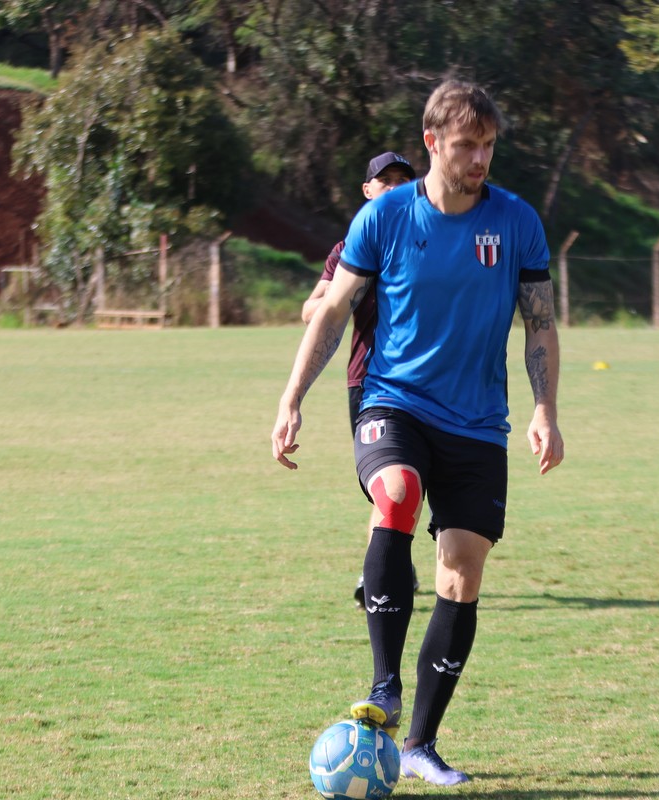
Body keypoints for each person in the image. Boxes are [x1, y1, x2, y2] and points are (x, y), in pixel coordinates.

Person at [271, 80, 563, 786]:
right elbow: (334, 310)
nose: (480, 159)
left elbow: (542, 323)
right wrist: (291, 400)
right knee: (396, 494)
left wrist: (546, 409)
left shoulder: (518, 221)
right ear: (432, 142)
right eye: (467, 145)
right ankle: (383, 687)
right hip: (394, 401)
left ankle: (420, 744)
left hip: (478, 422)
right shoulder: (386, 218)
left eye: (489, 145)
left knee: (461, 570)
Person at [301, 152, 420, 606]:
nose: (392, 187)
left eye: (402, 180)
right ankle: (388, 564)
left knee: (411, 481)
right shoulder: (350, 247)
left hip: (427, 380)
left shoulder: (433, 239)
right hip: (367, 381)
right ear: (367, 190)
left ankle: (388, 563)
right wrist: (344, 294)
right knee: (391, 481)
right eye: (383, 180)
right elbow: (311, 310)